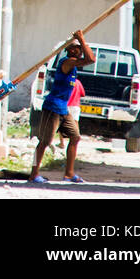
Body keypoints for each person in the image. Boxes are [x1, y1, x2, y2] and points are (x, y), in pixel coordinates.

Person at [30, 30, 95, 183]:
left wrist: (82, 41)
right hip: (52, 107)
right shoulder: (67, 62)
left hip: (63, 109)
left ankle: (69, 174)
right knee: (45, 141)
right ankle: (34, 174)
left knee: (75, 137)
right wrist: (81, 39)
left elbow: (90, 58)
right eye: (78, 48)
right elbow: (90, 59)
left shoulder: (74, 66)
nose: (80, 51)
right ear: (72, 50)